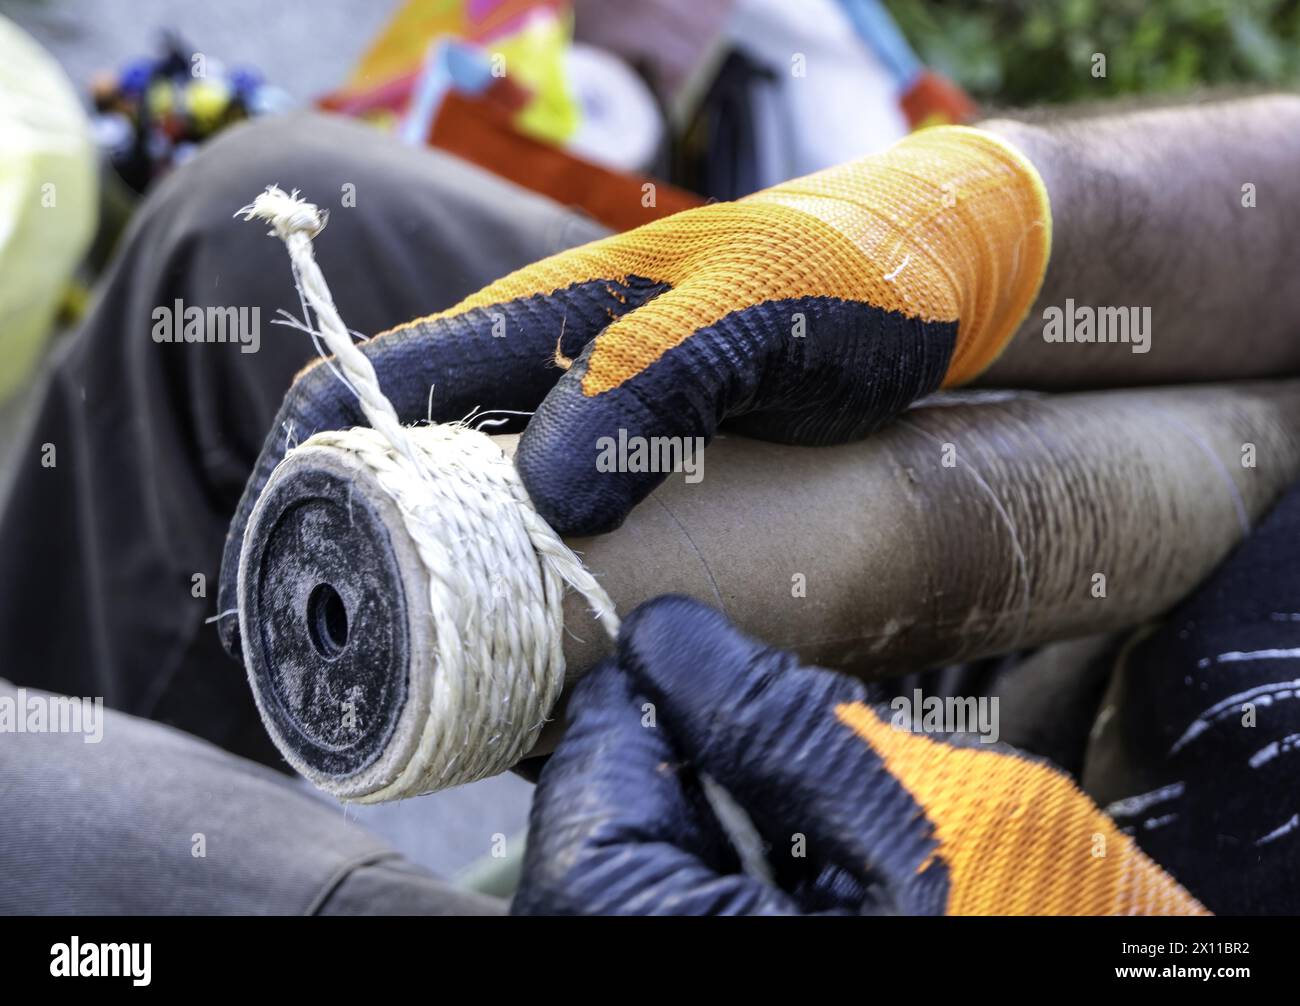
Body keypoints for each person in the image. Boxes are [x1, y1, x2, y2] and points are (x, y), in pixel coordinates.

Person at [2, 96, 1298, 913]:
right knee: (241, 226)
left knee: (24, 802)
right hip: (1106, 517)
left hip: (1044, 882)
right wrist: (987, 220)